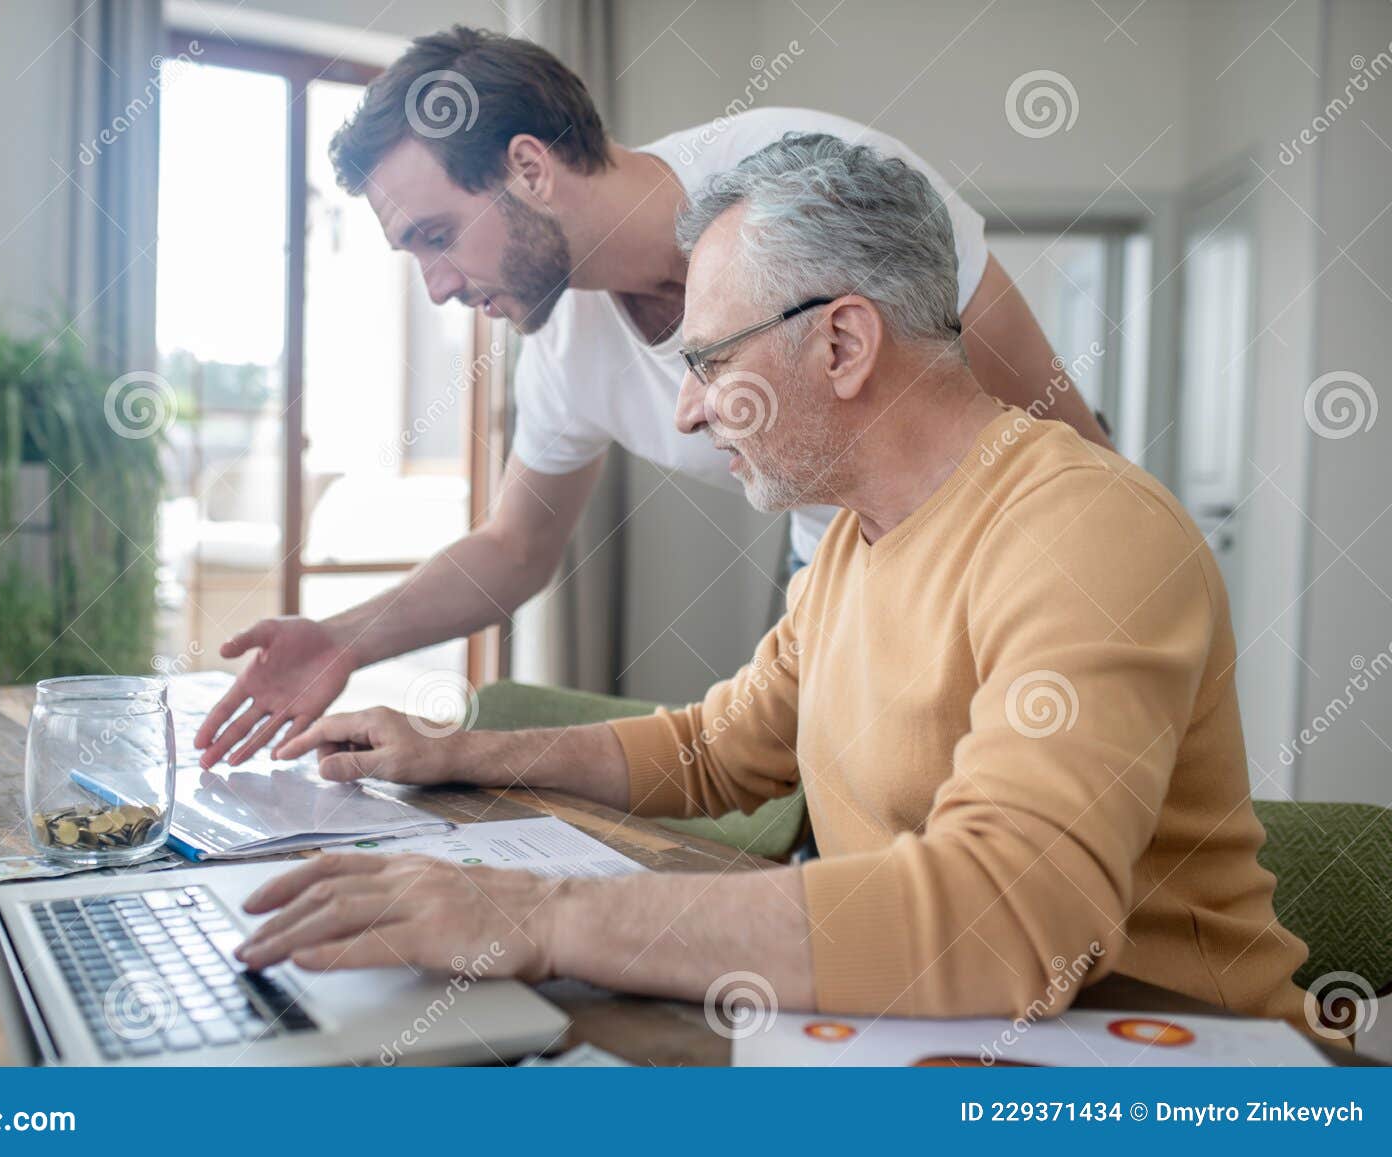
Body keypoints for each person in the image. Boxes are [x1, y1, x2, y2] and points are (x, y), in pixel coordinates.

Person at [231, 136, 1310, 1031]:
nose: (689, 413)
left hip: (1186, 1063)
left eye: (708, 363)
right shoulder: (853, 537)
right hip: (957, 1043)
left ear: (841, 342)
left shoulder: (1085, 531)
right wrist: (459, 752)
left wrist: (546, 914)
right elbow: (717, 747)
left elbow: (1005, 920)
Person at [194, 25, 1110, 769]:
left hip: (990, 592)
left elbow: (1062, 436)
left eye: (438, 236)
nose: (437, 286)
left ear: (529, 168)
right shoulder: (561, 342)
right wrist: (343, 641)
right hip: (830, 595)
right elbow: (514, 548)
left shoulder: (806, 179)